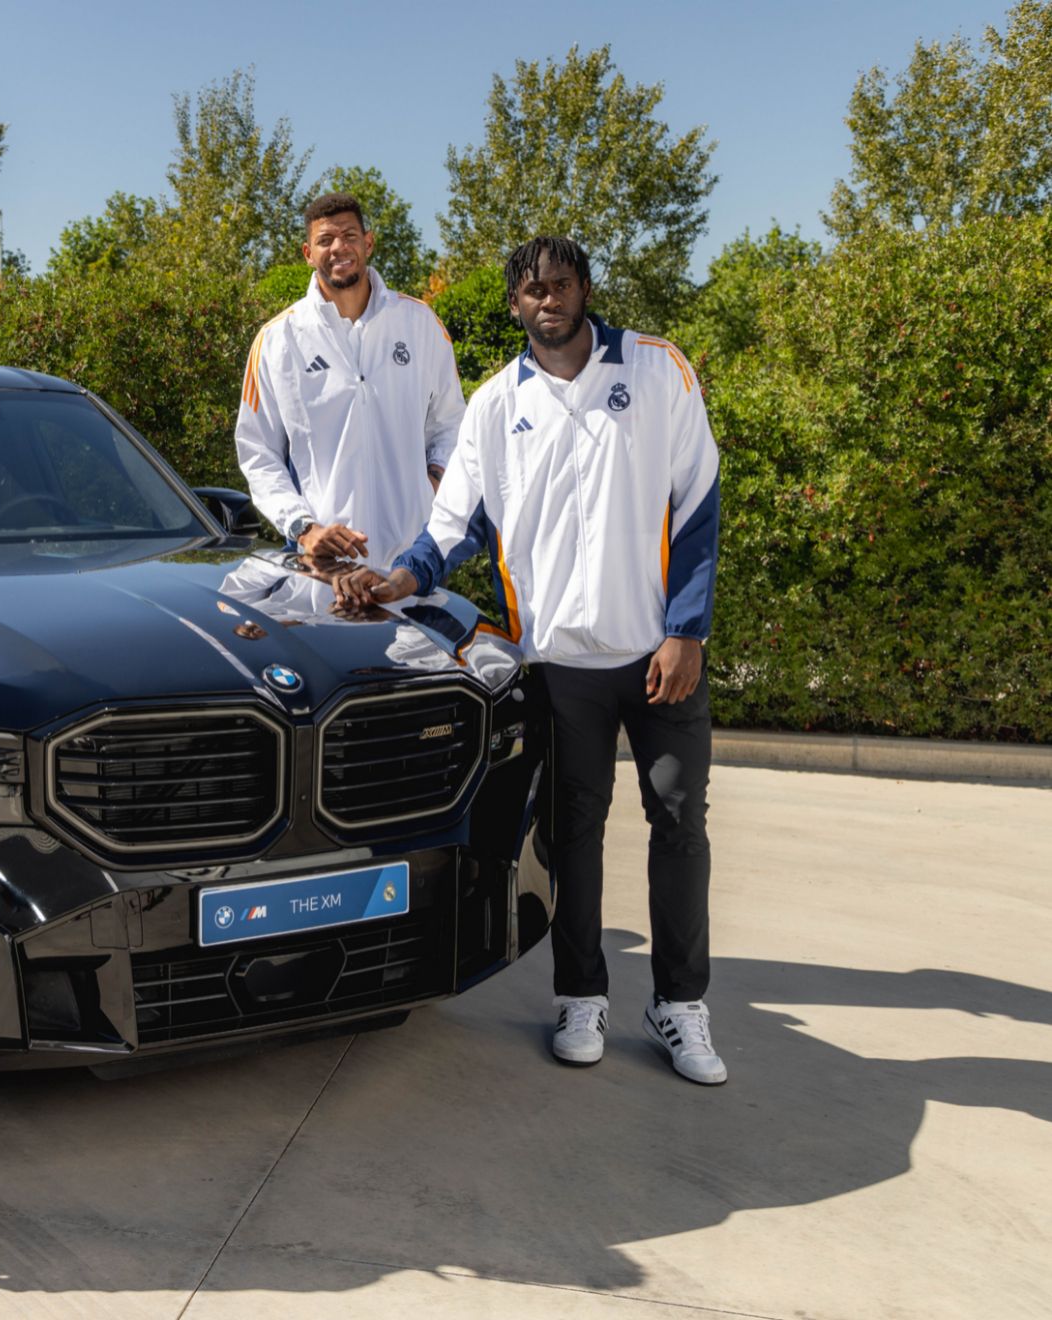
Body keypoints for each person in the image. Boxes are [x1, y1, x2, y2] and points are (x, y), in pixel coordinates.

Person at [333, 236, 726, 1086]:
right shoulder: (495, 404)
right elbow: (452, 526)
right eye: (533, 290)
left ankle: (680, 1004)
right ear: (515, 304)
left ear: (584, 290)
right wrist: (396, 579)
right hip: (560, 664)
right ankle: (581, 996)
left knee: (680, 827)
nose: (549, 299)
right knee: (573, 835)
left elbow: (697, 501)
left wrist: (687, 630)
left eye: (562, 284)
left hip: (658, 658)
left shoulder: (656, 370)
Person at [234, 191, 465, 563]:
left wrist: (433, 484)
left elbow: (452, 422)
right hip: (323, 567)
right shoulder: (278, 340)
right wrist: (303, 527)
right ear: (308, 253)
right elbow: (257, 451)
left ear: (368, 243)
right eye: (325, 240)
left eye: (349, 236)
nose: (339, 247)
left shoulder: (420, 323)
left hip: (412, 563)